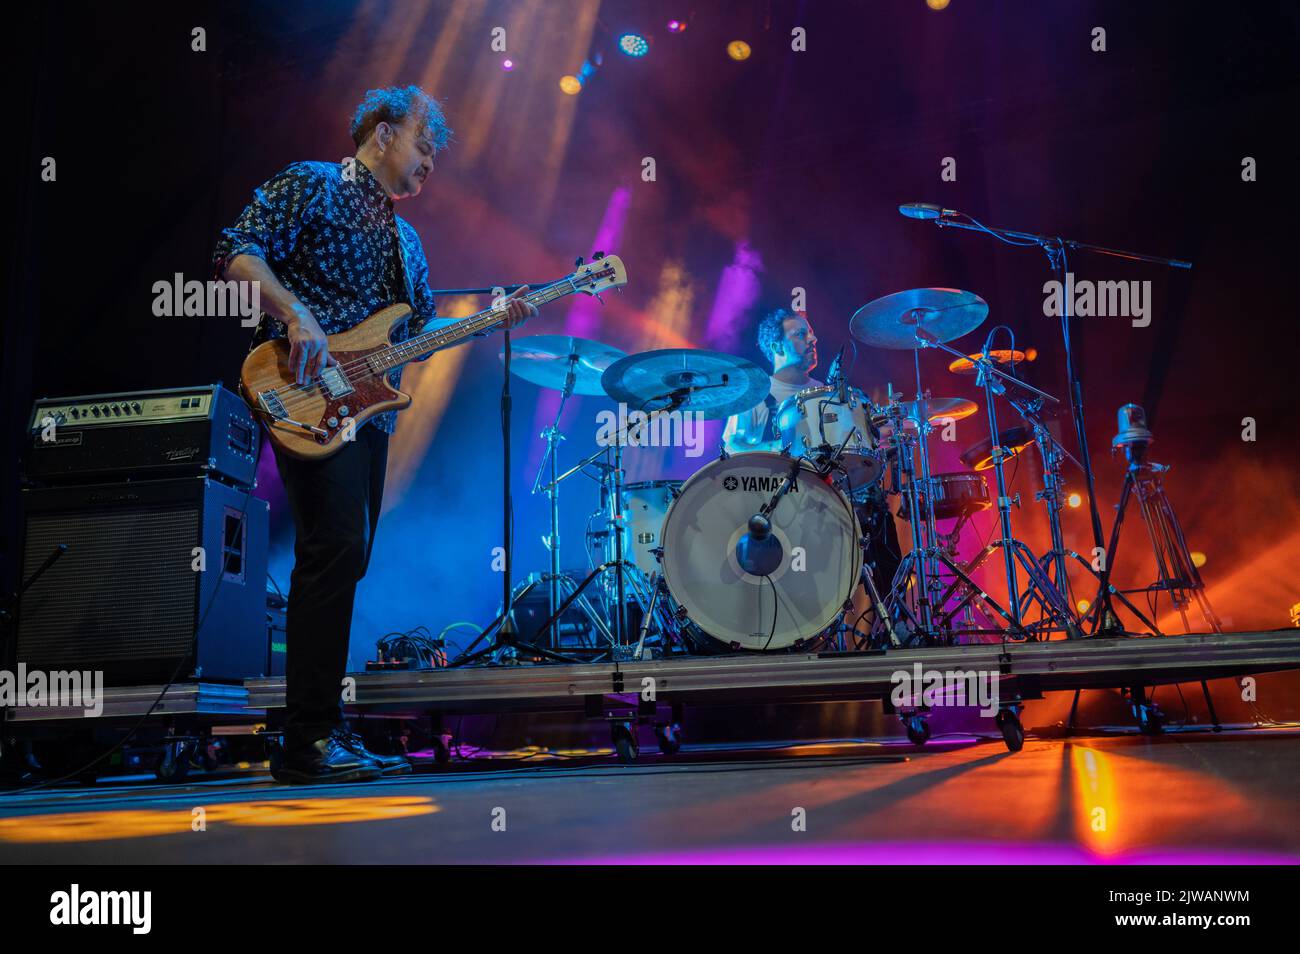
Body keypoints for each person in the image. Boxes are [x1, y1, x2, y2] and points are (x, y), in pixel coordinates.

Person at [213, 85, 536, 783]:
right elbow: (235, 249)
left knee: (346, 558)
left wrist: (490, 319)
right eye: (424, 145)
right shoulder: (313, 184)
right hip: (300, 390)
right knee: (336, 546)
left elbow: (414, 337)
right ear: (384, 134)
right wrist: (297, 314)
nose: (430, 164)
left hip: (367, 413)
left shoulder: (406, 242)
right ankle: (306, 742)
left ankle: (318, 730)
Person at [722, 308, 901, 626]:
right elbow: (733, 448)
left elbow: (853, 452)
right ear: (777, 346)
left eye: (812, 333)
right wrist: (784, 451)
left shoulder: (830, 395)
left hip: (832, 498)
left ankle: (894, 622)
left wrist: (878, 438)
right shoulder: (758, 394)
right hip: (781, 508)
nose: (812, 338)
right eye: (800, 334)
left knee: (878, 516)